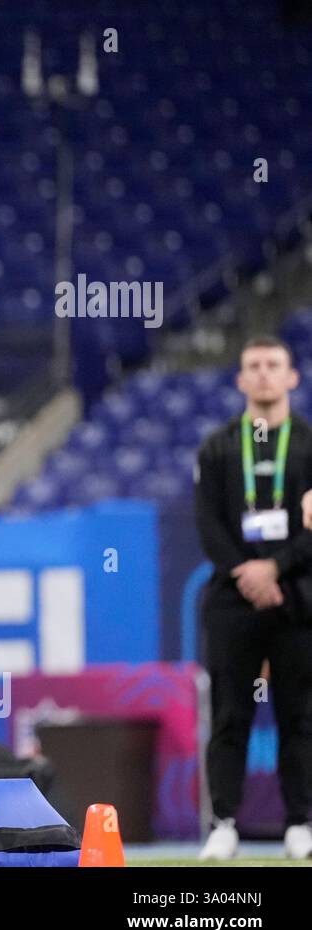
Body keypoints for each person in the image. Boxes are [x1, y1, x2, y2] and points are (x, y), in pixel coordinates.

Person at [195, 335, 312, 860]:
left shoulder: (310, 442)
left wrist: (277, 568)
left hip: (299, 596)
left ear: (292, 377)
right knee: (229, 713)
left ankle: (301, 822)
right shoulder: (218, 446)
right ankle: (223, 822)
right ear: (240, 379)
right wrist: (249, 572)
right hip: (233, 597)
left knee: (300, 713)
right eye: (253, 366)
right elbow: (209, 524)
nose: (263, 374)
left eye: (274, 365)